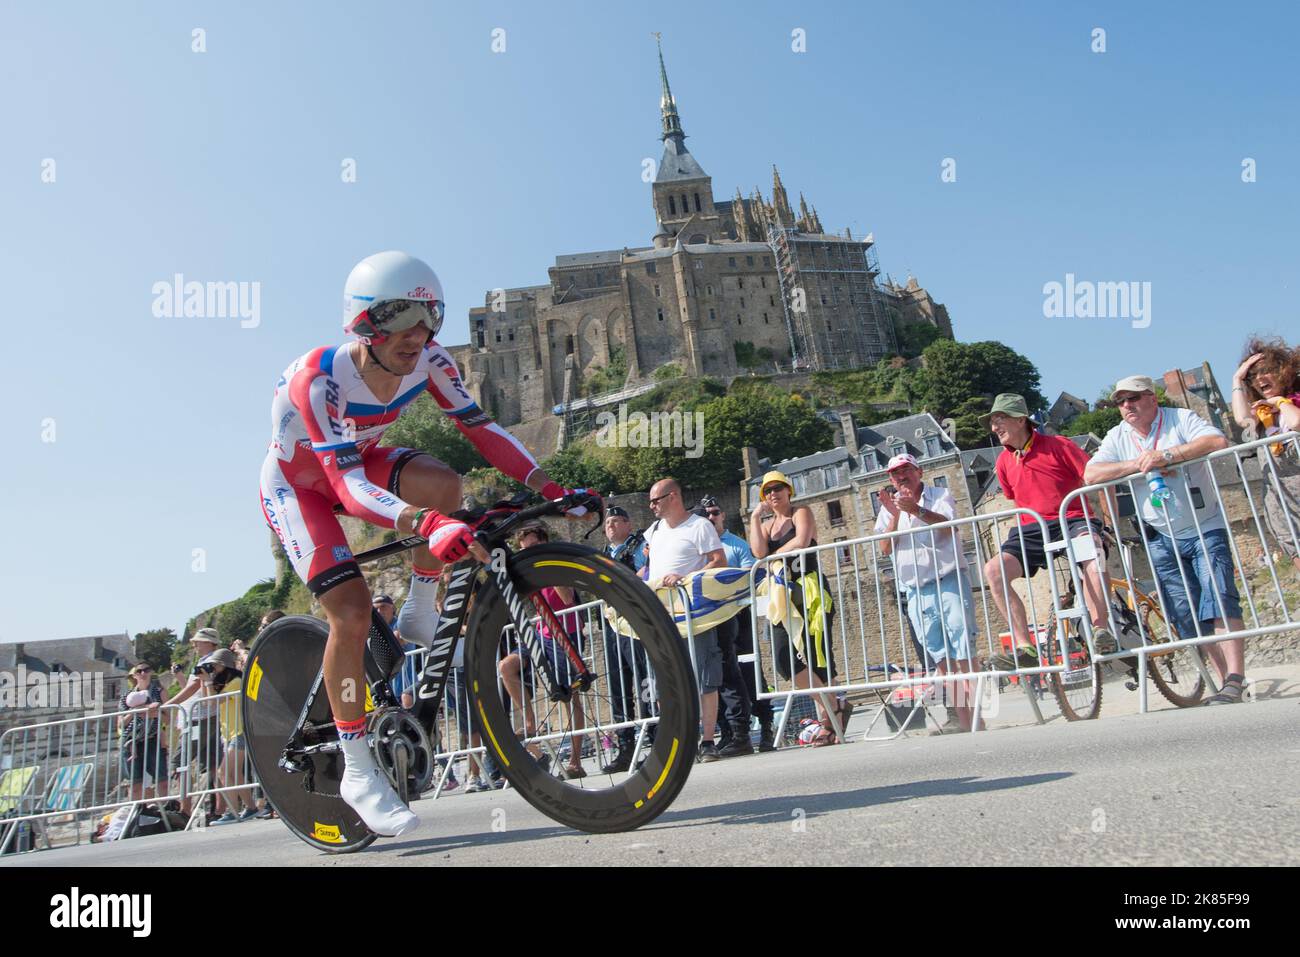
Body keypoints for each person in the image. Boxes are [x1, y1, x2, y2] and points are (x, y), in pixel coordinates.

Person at [258, 250, 595, 836]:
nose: (419, 333)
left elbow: (482, 429)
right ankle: (358, 766)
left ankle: (419, 606)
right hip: (300, 486)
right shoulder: (319, 379)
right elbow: (347, 487)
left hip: (357, 464)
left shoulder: (432, 361)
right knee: (353, 611)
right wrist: (426, 523)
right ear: (365, 323)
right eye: (403, 318)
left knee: (445, 483)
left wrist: (550, 484)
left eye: (429, 317)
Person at [1084, 375, 1244, 705]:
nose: (1127, 405)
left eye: (1134, 398)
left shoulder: (1180, 418)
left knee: (1219, 597)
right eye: (1120, 401)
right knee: (1186, 614)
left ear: (1152, 399)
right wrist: (1136, 465)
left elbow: (1216, 441)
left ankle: (1235, 678)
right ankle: (1221, 681)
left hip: (1204, 525)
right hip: (1160, 535)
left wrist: (1167, 455)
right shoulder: (1118, 436)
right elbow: (1091, 474)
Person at [979, 394, 1116, 667]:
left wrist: (1108, 523)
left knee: (1091, 550)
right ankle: (1025, 648)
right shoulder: (1003, 462)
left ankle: (1101, 629)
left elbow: (1099, 477)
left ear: (1021, 420)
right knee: (993, 571)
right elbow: (1016, 498)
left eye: (1000, 419)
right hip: (1033, 528)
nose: (994, 427)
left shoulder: (1059, 445)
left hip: (1073, 517)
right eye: (992, 422)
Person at [874, 455, 981, 732]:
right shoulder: (889, 508)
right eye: (895, 474)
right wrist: (897, 514)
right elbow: (884, 548)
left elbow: (948, 526)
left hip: (948, 579)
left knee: (964, 652)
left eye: (906, 470)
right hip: (916, 589)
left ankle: (978, 719)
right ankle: (965, 720)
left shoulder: (939, 494)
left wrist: (916, 510)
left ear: (919, 472)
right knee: (942, 660)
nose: (901, 477)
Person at [748, 470, 849, 746]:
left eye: (778, 488)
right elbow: (757, 552)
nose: (773, 494)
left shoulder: (800, 512)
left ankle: (829, 721)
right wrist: (756, 518)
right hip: (782, 596)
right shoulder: (768, 525)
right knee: (784, 660)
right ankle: (834, 707)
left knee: (817, 656)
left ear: (788, 490)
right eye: (768, 490)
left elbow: (801, 541)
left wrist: (773, 556)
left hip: (809, 590)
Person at [645, 478, 731, 762]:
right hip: (661, 613)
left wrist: (685, 578)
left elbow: (718, 560)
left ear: (674, 497)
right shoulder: (654, 531)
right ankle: (679, 739)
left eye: (656, 500)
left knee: (704, 675)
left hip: (694, 611)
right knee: (664, 679)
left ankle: (708, 740)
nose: (652, 506)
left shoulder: (699, 526)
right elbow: (648, 567)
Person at [497, 524, 589, 778]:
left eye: (535, 546)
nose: (531, 552)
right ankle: (529, 721)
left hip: (567, 631)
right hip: (542, 632)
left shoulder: (556, 562)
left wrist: (547, 567)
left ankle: (575, 759)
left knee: (571, 697)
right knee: (506, 667)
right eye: (526, 548)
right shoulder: (528, 568)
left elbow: (568, 598)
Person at [700, 495, 765, 755]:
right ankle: (728, 732)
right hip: (713, 617)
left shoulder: (734, 545)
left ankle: (759, 727)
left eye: (715, 512)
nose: (711, 517)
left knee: (747, 672)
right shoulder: (702, 544)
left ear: (723, 515)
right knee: (720, 675)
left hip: (738, 614)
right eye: (706, 514)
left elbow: (751, 576)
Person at [1231, 337, 1300, 572]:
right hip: (1282, 504)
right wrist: (1237, 378)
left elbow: (1297, 421)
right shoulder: (1261, 417)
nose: (1260, 379)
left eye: (1267, 371)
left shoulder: (1294, 404)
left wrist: (1279, 402)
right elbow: (1242, 419)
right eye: (1253, 376)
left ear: (1284, 371)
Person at [598, 506, 654, 772]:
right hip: (611, 624)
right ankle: (625, 747)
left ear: (628, 525)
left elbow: (647, 574)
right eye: (607, 522)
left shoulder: (639, 547)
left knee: (645, 683)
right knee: (618, 687)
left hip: (634, 623)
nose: (610, 525)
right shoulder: (603, 555)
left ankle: (655, 741)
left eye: (616, 520)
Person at [199, 648, 259, 824]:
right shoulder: (227, 682)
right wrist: (205, 682)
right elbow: (206, 702)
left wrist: (208, 682)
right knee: (235, 773)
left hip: (238, 732)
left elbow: (212, 702)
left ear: (224, 665)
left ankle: (232, 812)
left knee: (223, 772)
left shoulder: (236, 681)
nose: (213, 670)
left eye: (215, 667)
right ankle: (251, 808)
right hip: (231, 733)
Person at [117, 663, 170, 803]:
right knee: (135, 785)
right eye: (138, 671)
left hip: (153, 737)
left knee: (162, 780)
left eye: (146, 670)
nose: (142, 673)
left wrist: (154, 713)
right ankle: (137, 814)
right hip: (130, 740)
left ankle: (165, 812)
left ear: (151, 672)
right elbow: (121, 723)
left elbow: (168, 719)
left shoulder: (160, 692)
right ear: (134, 676)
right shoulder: (126, 697)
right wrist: (139, 710)